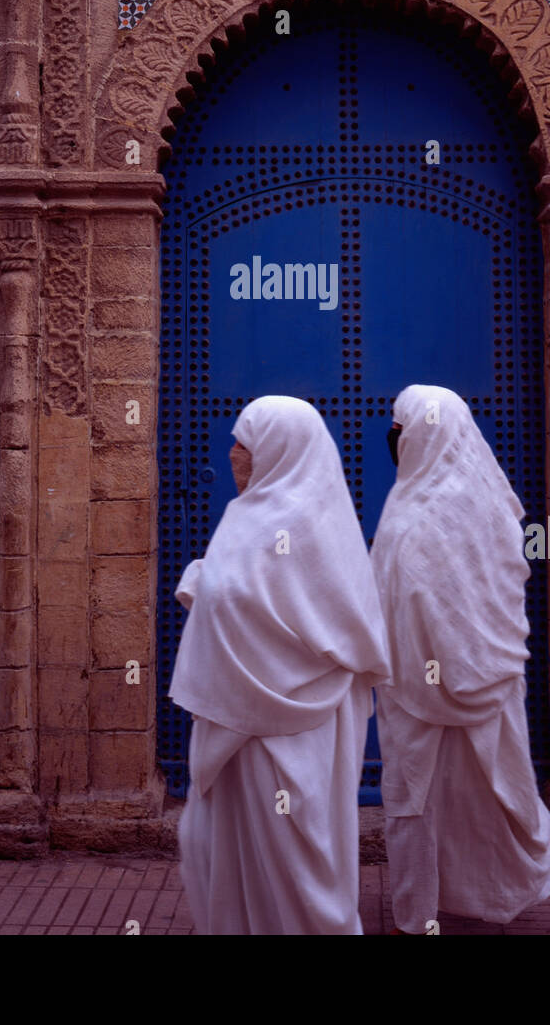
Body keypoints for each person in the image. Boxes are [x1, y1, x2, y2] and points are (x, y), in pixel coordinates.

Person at [372, 384, 550, 936]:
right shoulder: (493, 501)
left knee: (411, 799)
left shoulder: (414, 510)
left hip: (419, 684)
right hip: (490, 676)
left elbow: (408, 597)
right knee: (505, 792)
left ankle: (413, 925)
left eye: (401, 426)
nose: (394, 436)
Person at [170, 395, 391, 935]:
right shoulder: (254, 515)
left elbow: (317, 619)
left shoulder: (300, 521)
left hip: (292, 730)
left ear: (276, 449)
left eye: (244, 442)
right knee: (241, 845)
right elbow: (261, 600)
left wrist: (206, 585)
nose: (233, 454)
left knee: (297, 851)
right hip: (249, 725)